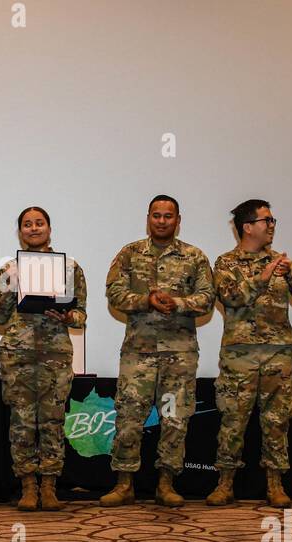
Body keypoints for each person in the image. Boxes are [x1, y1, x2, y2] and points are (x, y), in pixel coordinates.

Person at [101, 194, 214, 507]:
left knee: (174, 418)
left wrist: (176, 302)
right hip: (138, 352)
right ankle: (124, 483)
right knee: (128, 418)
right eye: (156, 215)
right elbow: (114, 293)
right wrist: (145, 300)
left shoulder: (195, 256)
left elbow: (207, 297)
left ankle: (166, 483)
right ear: (148, 218)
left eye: (168, 216)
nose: (162, 221)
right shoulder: (129, 253)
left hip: (179, 354)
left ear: (178, 221)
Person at [207, 199, 292, 508]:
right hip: (239, 354)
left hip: (277, 353)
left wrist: (290, 271)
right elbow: (231, 297)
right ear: (248, 227)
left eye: (272, 220)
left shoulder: (281, 262)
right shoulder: (226, 262)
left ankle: (275, 484)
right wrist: (264, 276)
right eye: (266, 220)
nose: (271, 225)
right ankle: (225, 482)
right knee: (232, 420)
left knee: (277, 421)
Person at [0, 206, 87, 511]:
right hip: (19, 357)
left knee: (52, 423)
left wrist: (68, 314)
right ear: (20, 231)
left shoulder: (69, 268)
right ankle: (28, 487)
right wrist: (11, 285)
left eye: (39, 223)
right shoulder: (8, 269)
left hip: (55, 356)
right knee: (21, 423)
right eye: (27, 224)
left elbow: (81, 316)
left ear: (49, 228)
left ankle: (49, 487)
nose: (34, 228)